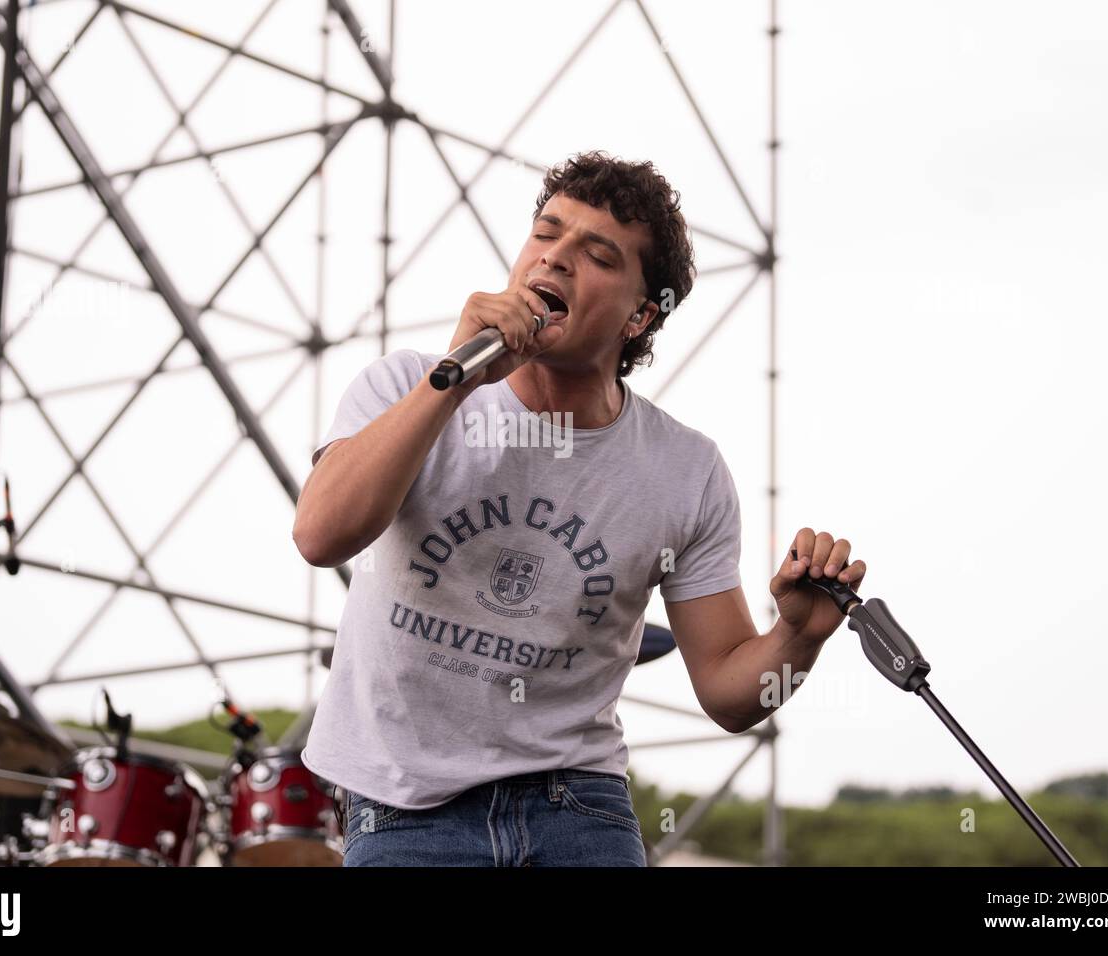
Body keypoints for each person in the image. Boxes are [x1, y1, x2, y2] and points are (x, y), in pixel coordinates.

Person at [292, 150, 867, 866]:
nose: (555, 259)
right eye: (545, 233)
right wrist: (453, 381)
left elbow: (726, 691)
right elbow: (321, 534)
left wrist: (797, 638)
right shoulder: (407, 386)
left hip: (577, 809)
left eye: (596, 254)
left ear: (641, 314)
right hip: (408, 814)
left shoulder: (684, 471)